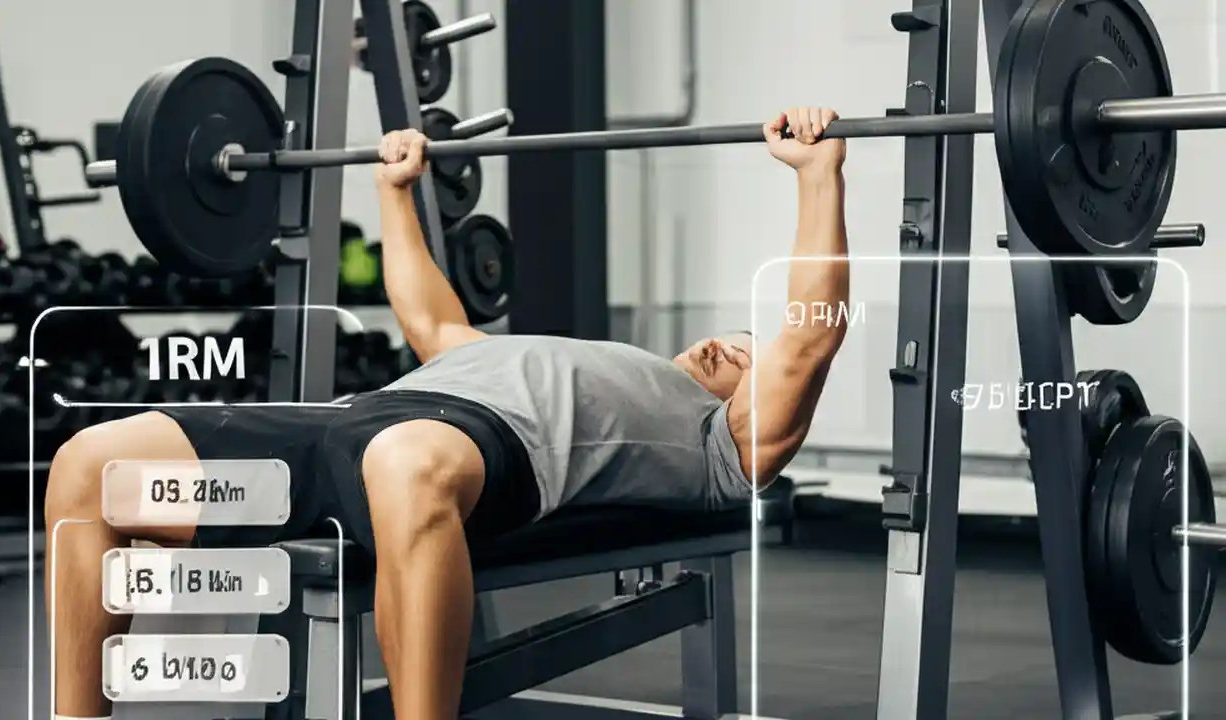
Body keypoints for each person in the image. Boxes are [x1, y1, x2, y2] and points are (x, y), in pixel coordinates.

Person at [44, 106, 849, 720]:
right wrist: (394, 191)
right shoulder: (547, 355)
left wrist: (818, 177)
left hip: (473, 447)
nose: (724, 346)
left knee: (406, 462)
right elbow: (432, 322)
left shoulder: (715, 444)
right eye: (725, 337)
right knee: (93, 464)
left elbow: (809, 339)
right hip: (347, 426)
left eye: (744, 354)